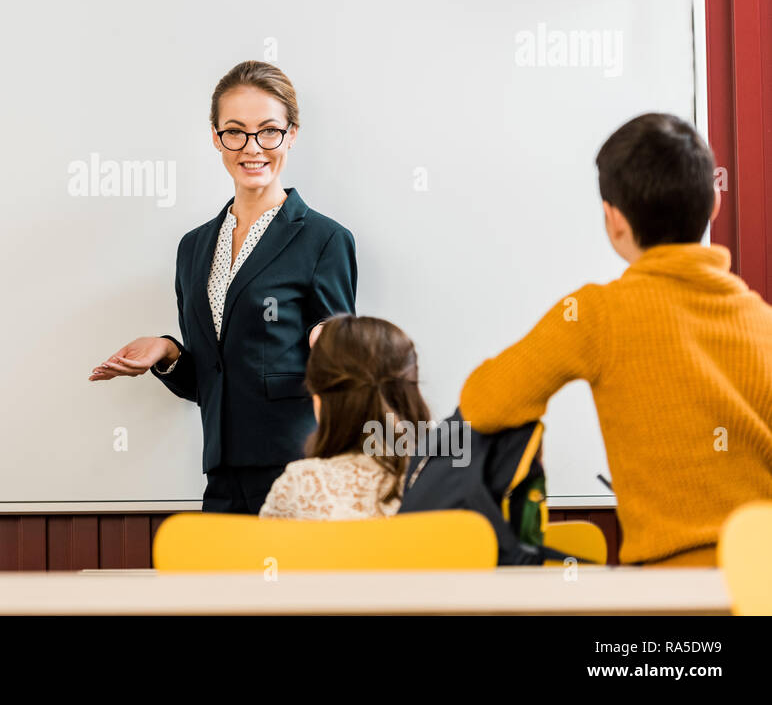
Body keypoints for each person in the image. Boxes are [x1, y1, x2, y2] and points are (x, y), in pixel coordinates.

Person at [459, 113, 772, 567]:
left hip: (673, 591)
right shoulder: (761, 319)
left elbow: (483, 402)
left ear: (614, 219)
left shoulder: (596, 315)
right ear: (714, 205)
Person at [90, 61, 357, 514]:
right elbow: (209, 381)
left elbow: (340, 371)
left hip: (298, 471)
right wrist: (168, 352)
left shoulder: (324, 239)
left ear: (291, 134)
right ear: (216, 137)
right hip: (220, 472)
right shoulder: (193, 248)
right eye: (236, 131)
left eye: (268, 131)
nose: (252, 147)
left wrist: (334, 343)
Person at [260, 315, 431, 520]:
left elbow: (269, 553)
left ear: (320, 397)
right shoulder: (442, 475)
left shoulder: (301, 485)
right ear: (411, 390)